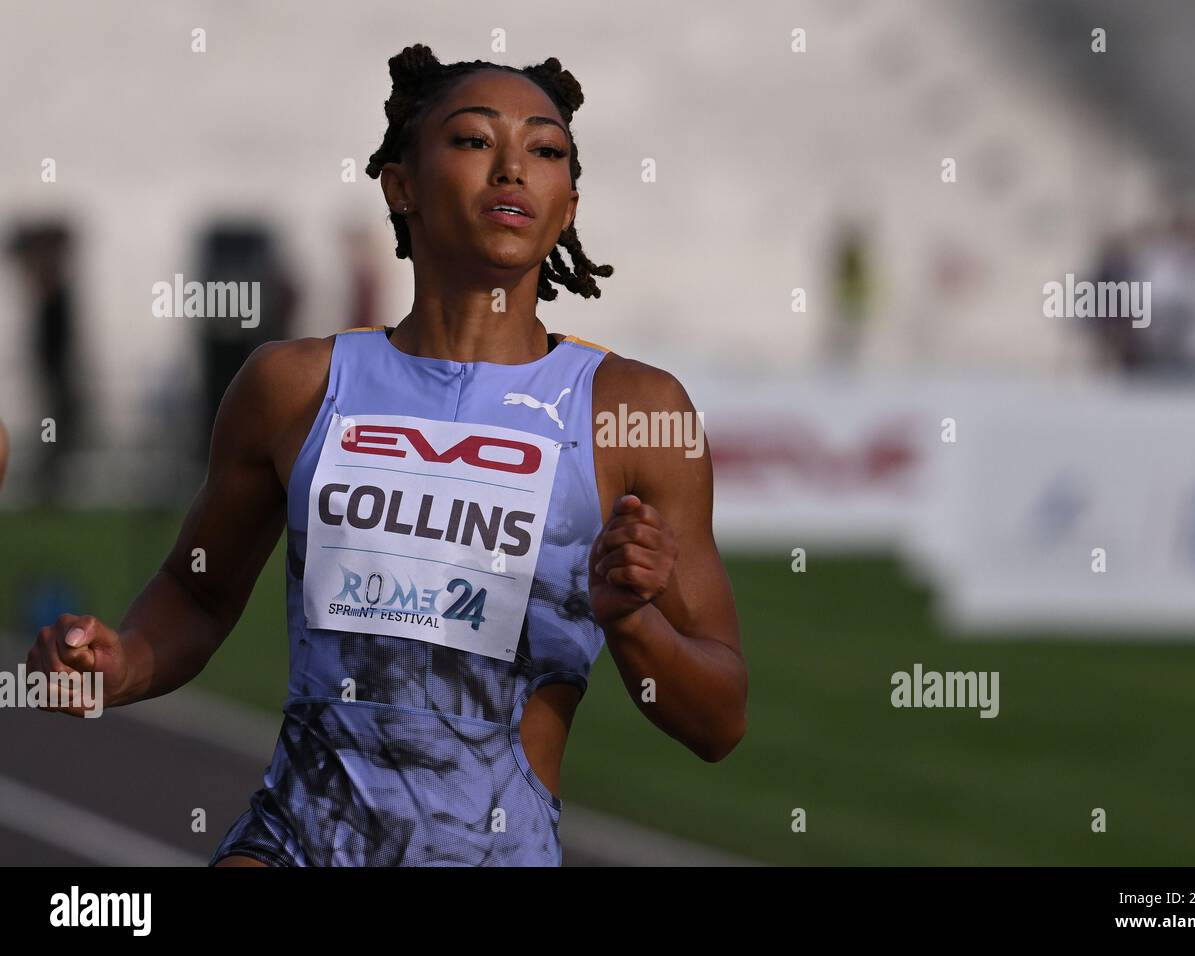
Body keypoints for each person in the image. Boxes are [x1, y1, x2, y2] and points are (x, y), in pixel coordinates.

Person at [25, 44, 748, 866]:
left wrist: (634, 623)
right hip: (292, 840)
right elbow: (198, 597)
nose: (513, 169)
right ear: (399, 184)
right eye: (475, 141)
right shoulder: (292, 386)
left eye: (544, 151)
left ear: (569, 203)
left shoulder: (634, 410)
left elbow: (720, 722)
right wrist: (118, 666)